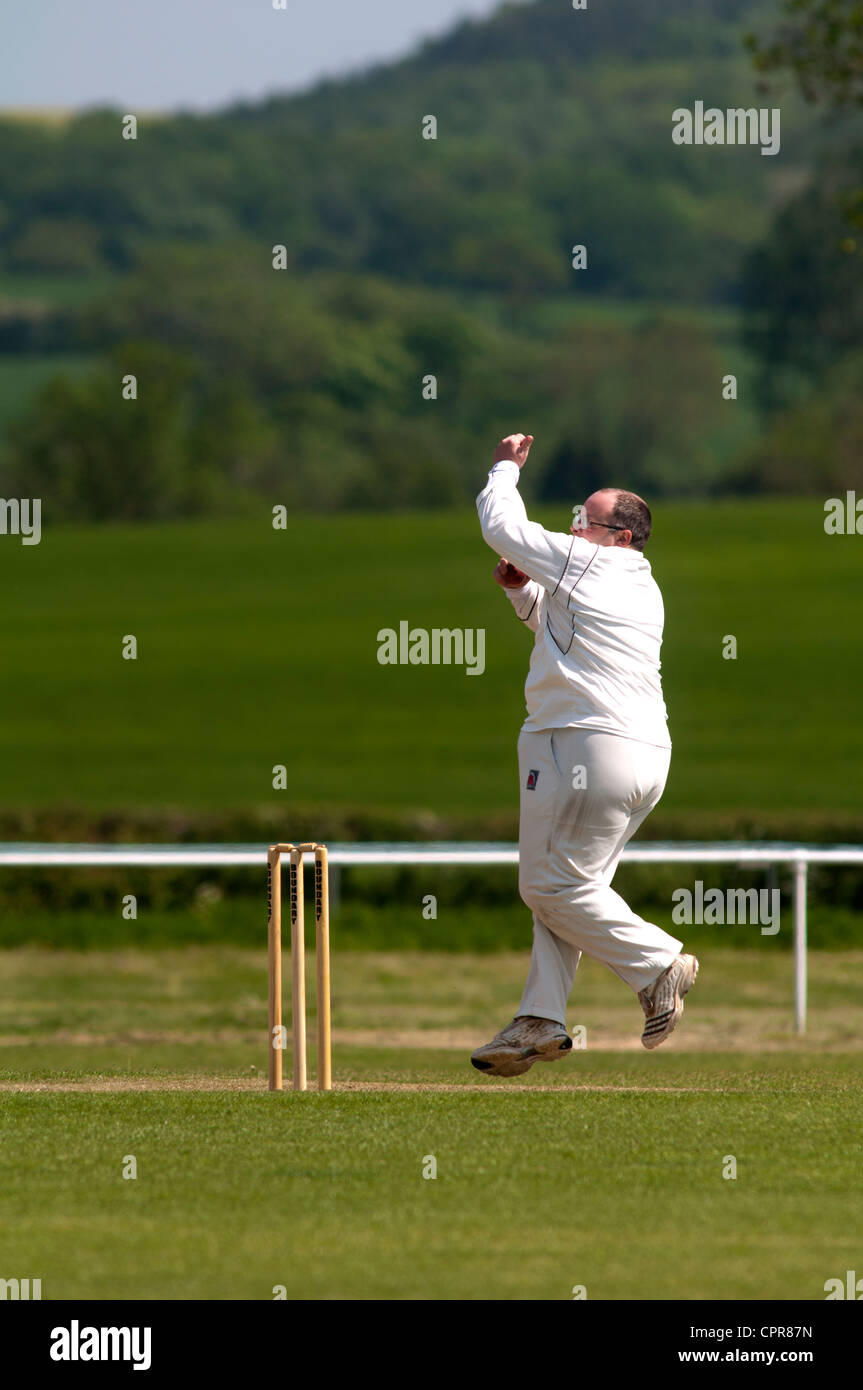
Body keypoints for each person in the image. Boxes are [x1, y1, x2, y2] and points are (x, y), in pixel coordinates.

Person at [471, 432, 698, 1077]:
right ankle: (540, 1017)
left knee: (544, 884)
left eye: (584, 521)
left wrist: (505, 468)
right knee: (569, 888)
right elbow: (557, 632)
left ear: (621, 536)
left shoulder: (589, 562)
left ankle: (656, 964)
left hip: (583, 746)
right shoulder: (639, 586)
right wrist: (522, 592)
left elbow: (500, 525)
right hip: (642, 756)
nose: (573, 527)